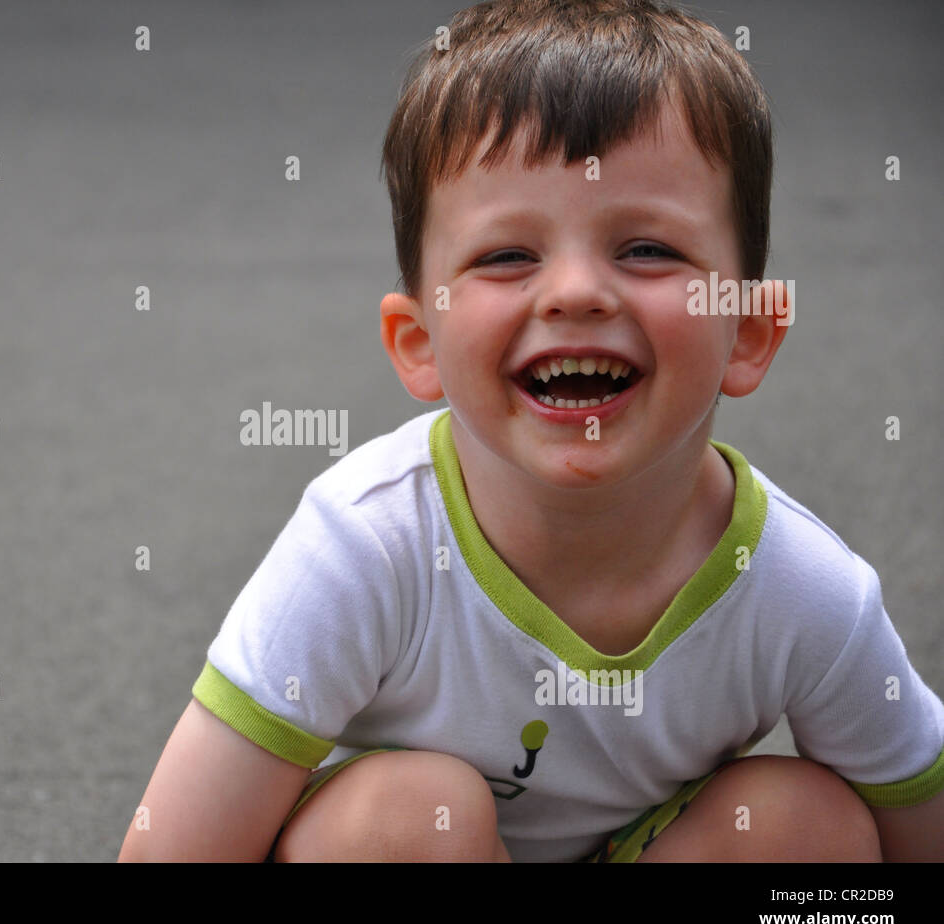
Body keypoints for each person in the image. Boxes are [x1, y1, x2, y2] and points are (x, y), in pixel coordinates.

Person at [118, 0, 944, 862]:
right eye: (508, 255)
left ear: (747, 333)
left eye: (648, 249)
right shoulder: (365, 543)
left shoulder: (803, 591)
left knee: (808, 829)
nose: (576, 291)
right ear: (418, 345)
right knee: (401, 819)